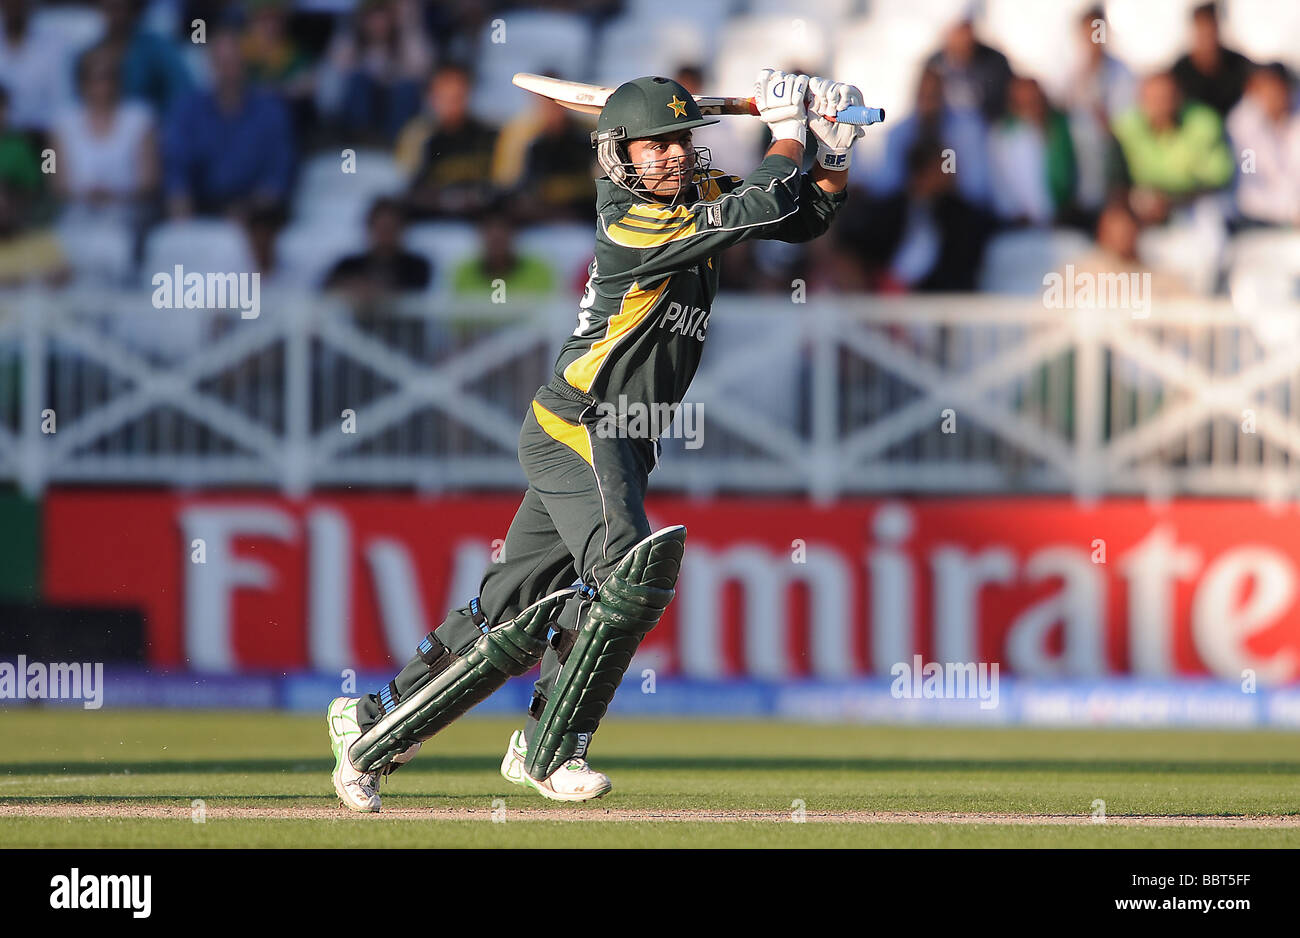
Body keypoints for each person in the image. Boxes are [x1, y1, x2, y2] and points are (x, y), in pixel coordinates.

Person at [325, 69, 863, 811]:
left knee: (510, 612)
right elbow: (761, 199)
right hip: (582, 420)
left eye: (680, 142)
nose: (673, 157)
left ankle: (370, 724)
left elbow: (799, 218)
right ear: (619, 156)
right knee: (629, 573)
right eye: (655, 146)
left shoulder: (702, 196)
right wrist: (785, 129)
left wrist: (832, 153)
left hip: (623, 438)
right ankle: (551, 750)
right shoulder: (629, 223)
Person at [1226, 63, 1300, 227]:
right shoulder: (1241, 127)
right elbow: (1248, 181)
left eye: (1278, 89)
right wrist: (1290, 211)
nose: (1273, 96)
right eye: (1266, 90)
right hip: (1261, 217)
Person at [1172, 1, 1254, 118]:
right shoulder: (1180, 70)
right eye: (1202, 30)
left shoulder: (1239, 64)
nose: (1207, 37)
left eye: (1211, 29)